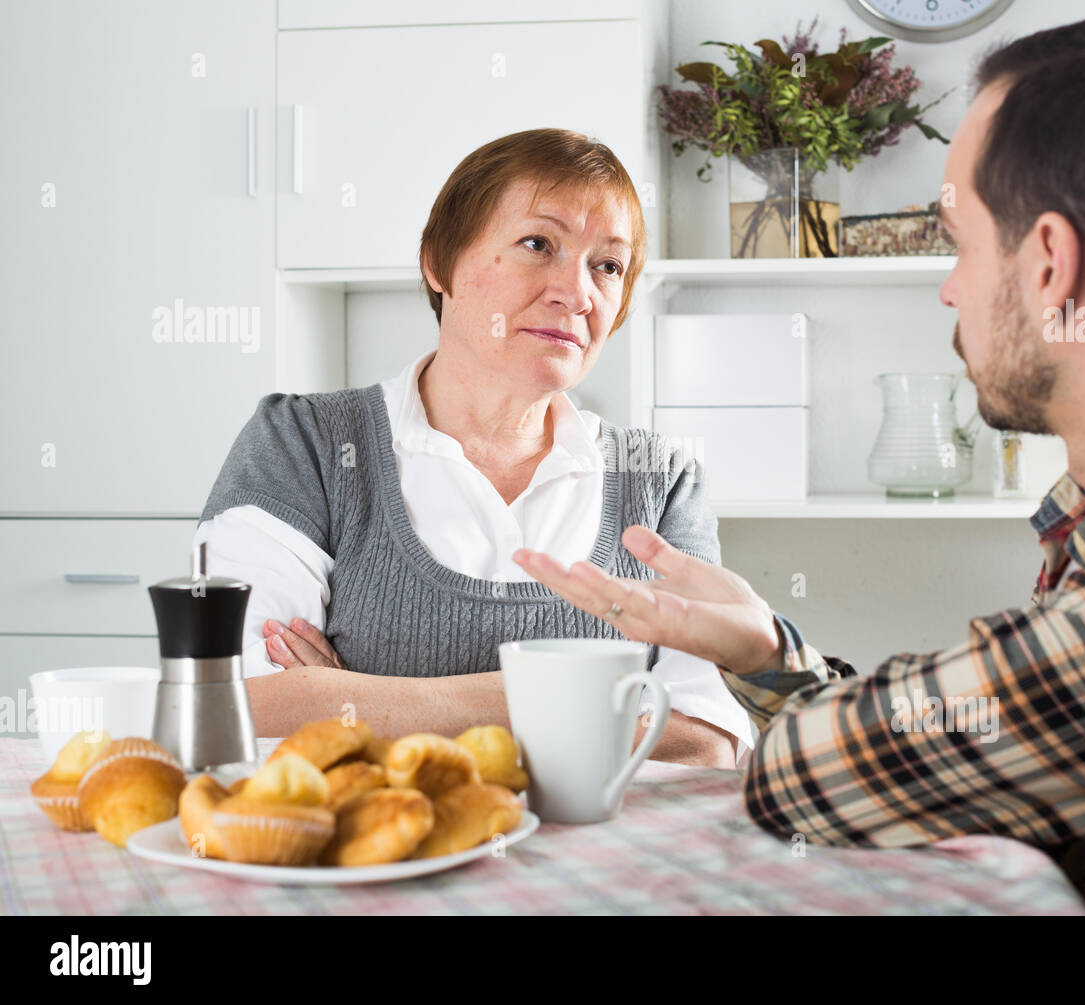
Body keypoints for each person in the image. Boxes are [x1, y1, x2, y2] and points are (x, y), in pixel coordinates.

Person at [514, 15, 1085, 915]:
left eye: (961, 243)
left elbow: (827, 775)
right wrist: (768, 652)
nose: (949, 286)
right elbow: (976, 759)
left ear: (1050, 264)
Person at [194, 128, 753, 768]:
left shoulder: (660, 479)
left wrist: (359, 702)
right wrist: (582, 704)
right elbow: (231, 707)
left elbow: (705, 742)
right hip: (382, 859)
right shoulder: (304, 445)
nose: (576, 293)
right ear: (439, 261)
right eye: (537, 244)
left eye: (608, 265)